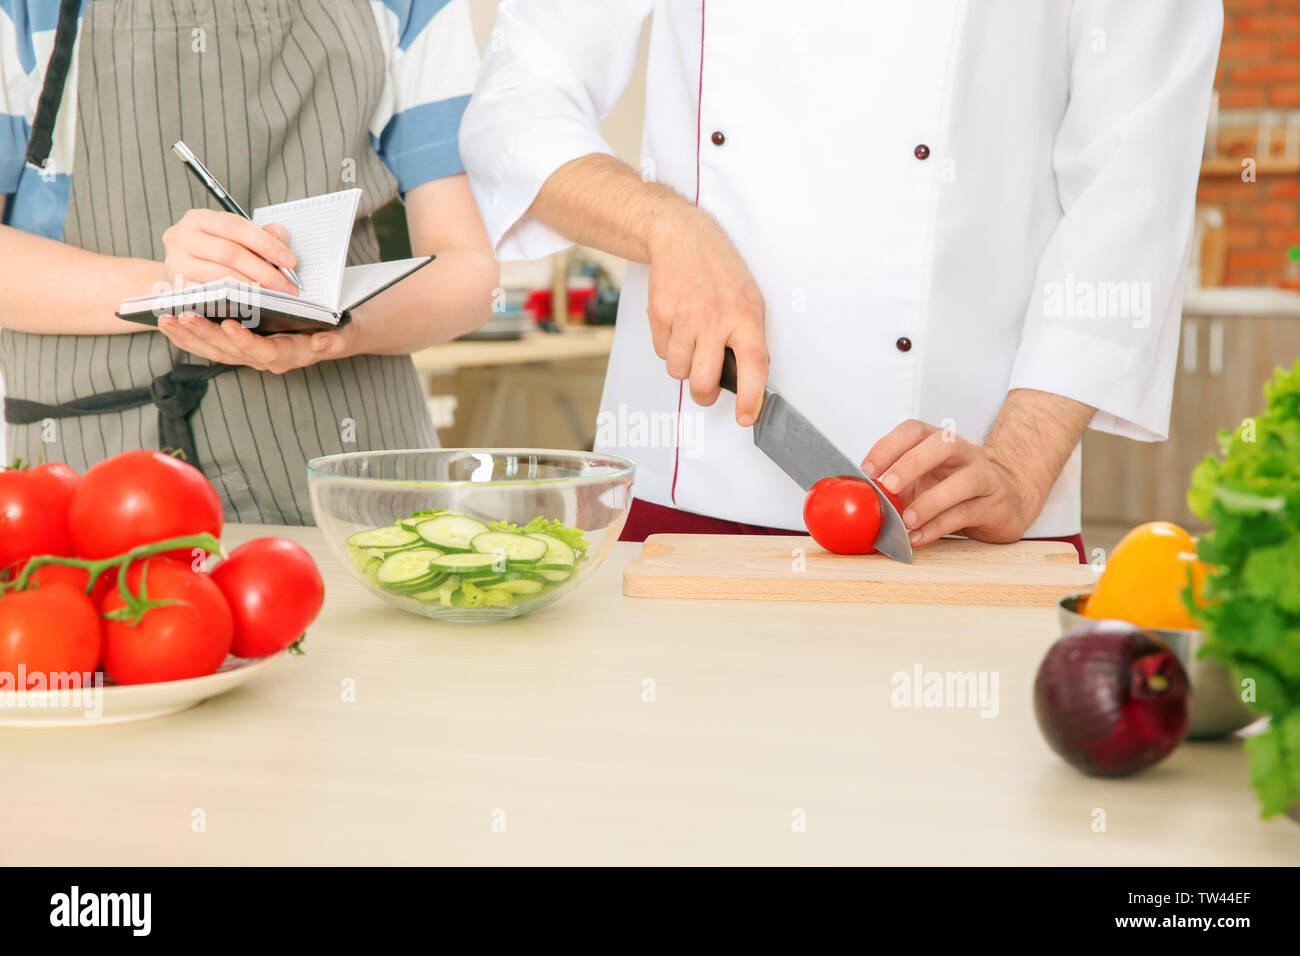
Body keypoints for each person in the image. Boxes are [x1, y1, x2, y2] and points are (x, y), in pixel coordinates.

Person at [459, 1, 1223, 560]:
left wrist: (1022, 467)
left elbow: (1134, 178)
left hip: (968, 517)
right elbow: (515, 104)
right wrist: (667, 225)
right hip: (694, 504)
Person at [0, 0, 497, 524]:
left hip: (348, 466)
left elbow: (470, 272)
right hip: (100, 475)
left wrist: (345, 330)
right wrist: (178, 287)